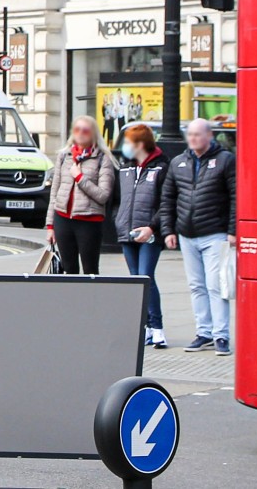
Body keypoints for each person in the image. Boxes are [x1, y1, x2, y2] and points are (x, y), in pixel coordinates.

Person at [160, 118, 239, 356]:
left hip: (215, 233)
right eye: (190, 134)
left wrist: (233, 230)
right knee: (196, 286)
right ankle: (203, 333)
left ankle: (220, 336)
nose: (192, 139)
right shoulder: (178, 162)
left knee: (215, 286)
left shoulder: (226, 160)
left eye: (197, 134)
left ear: (209, 135)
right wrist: (168, 230)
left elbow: (236, 196)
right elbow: (168, 198)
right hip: (186, 234)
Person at [114, 123, 169, 349]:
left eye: (129, 142)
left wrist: (152, 227)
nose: (125, 147)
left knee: (146, 276)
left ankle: (157, 328)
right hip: (127, 230)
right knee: (135, 278)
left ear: (140, 144)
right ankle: (145, 328)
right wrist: (118, 219)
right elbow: (117, 201)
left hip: (149, 232)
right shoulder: (125, 168)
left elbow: (165, 202)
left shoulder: (161, 167)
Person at [45, 116, 116, 275]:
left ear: (93, 134)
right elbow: (54, 192)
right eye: (77, 130)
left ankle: (91, 299)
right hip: (63, 219)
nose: (80, 134)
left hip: (89, 221)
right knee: (69, 269)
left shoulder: (103, 159)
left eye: (85, 130)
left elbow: (103, 196)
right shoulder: (64, 156)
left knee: (90, 269)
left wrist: (79, 178)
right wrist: (50, 226)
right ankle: (71, 300)